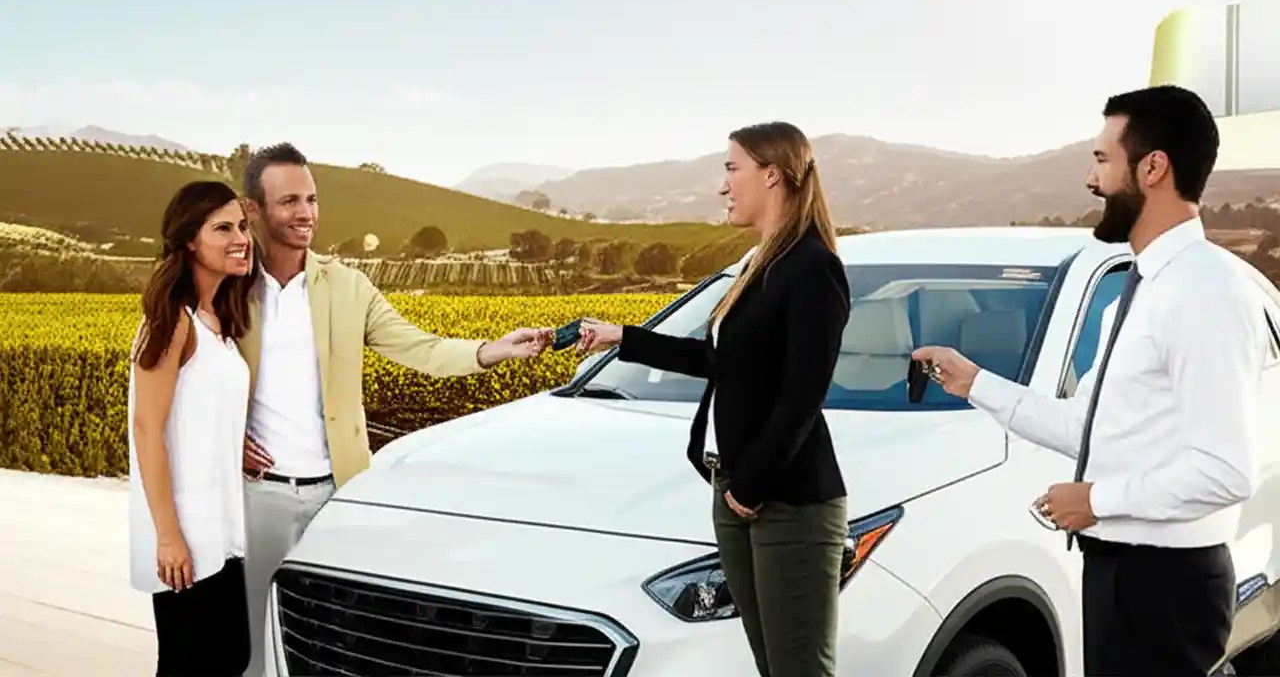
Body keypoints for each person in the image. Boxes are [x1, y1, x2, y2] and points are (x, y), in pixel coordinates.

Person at [913, 85, 1266, 676]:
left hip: (1166, 587)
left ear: (1154, 168)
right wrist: (975, 382)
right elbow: (1093, 427)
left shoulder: (1207, 293)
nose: (1090, 178)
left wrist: (1096, 500)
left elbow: (1226, 470)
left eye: (1102, 159)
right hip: (1121, 573)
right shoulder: (1137, 291)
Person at [234, 142, 554, 676]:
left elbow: (420, 347)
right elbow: (183, 379)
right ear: (252, 209)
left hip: (338, 495)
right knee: (252, 647)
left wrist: (489, 349)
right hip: (255, 497)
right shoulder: (227, 286)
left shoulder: (347, 286)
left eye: (311, 199)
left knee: (338, 649)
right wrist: (221, 438)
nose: (306, 213)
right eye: (289, 200)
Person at [577, 121, 851, 677]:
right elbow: (718, 362)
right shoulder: (759, 264)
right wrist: (622, 337)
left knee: (799, 670)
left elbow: (802, 395)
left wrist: (749, 489)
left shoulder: (812, 267)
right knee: (770, 666)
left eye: (732, 169)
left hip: (787, 503)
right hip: (737, 491)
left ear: (772, 175)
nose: (723, 186)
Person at [128, 180, 259, 676]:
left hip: (221, 524)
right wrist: (167, 536)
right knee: (192, 664)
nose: (240, 238)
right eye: (222, 228)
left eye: (242, 226)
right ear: (188, 240)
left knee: (227, 658)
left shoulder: (217, 321)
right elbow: (147, 428)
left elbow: (198, 408)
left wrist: (232, 445)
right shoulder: (172, 320)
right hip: (184, 527)